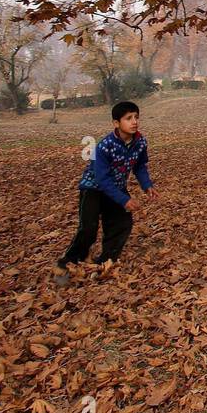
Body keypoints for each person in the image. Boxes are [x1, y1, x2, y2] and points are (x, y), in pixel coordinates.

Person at [53, 100, 157, 286]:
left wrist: (147, 185)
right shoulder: (104, 146)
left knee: (121, 224)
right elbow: (102, 179)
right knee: (88, 229)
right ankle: (66, 263)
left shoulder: (140, 142)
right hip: (93, 189)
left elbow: (140, 165)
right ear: (116, 123)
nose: (134, 122)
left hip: (116, 188)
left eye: (136, 117)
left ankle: (105, 261)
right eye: (128, 118)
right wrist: (124, 200)